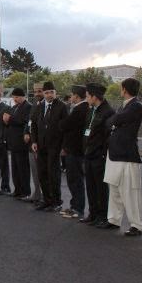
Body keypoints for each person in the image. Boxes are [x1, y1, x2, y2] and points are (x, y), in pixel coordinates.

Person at [102, 78, 142, 234]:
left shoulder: (136, 106)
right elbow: (111, 122)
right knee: (114, 187)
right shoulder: (125, 105)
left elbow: (115, 119)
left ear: (124, 89)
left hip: (127, 155)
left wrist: (114, 121)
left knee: (129, 191)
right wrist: (114, 122)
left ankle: (136, 225)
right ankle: (113, 219)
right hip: (114, 153)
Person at [30, 81, 68, 211]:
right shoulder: (39, 107)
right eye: (47, 93)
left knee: (54, 174)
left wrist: (64, 146)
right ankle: (47, 200)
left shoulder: (62, 107)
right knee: (42, 173)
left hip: (55, 146)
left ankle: (56, 202)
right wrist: (34, 141)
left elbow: (65, 129)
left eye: (52, 92)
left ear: (55, 93)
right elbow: (34, 125)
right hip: (41, 145)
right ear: (44, 94)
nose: (49, 95)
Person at [81, 83, 115, 226]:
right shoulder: (91, 110)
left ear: (95, 97)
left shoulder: (108, 111)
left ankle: (103, 215)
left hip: (98, 155)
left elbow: (108, 135)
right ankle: (93, 213)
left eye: (88, 96)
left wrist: (102, 152)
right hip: (88, 153)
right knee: (90, 185)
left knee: (100, 187)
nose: (86, 99)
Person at [58, 85, 88, 218]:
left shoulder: (80, 109)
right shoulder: (80, 108)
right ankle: (74, 205)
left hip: (75, 150)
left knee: (75, 179)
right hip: (72, 148)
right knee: (73, 179)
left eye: (72, 95)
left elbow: (65, 125)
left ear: (76, 96)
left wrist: (62, 124)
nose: (70, 97)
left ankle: (77, 208)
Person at [4, 88, 31, 199]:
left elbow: (24, 121)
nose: (15, 99)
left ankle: (25, 191)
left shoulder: (28, 106)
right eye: (14, 97)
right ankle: (17, 190)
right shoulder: (14, 107)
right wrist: (6, 121)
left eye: (17, 97)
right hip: (13, 142)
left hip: (21, 142)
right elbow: (9, 122)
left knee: (23, 168)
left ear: (23, 96)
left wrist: (9, 119)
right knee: (15, 168)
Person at [26, 83, 44, 202]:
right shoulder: (34, 104)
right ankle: (37, 194)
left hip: (43, 144)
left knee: (43, 172)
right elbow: (29, 121)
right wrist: (26, 132)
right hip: (32, 143)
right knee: (35, 171)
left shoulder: (48, 106)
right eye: (35, 91)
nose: (37, 94)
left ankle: (46, 196)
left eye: (40, 91)